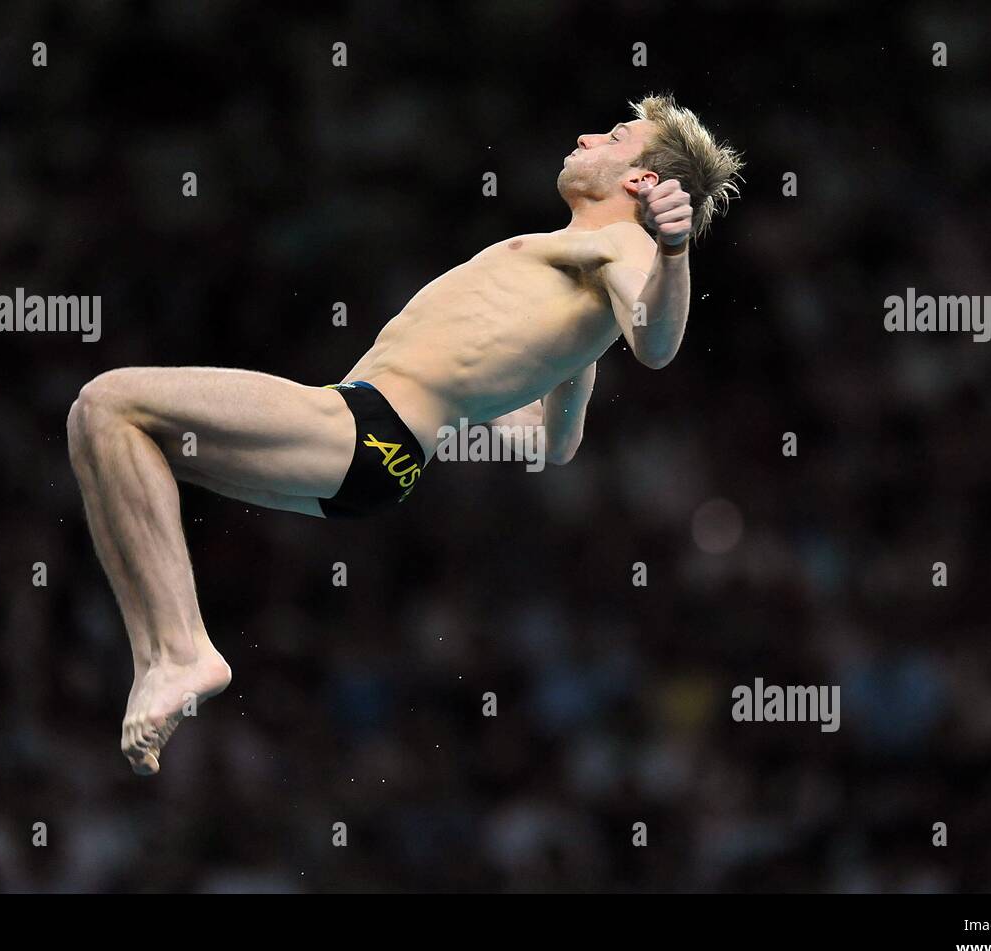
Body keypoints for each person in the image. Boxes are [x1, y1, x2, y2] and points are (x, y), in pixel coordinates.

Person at [66, 93, 743, 774]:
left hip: (365, 429)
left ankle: (183, 651)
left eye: (616, 134)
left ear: (642, 180)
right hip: (377, 456)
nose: (588, 134)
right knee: (112, 436)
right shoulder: (581, 280)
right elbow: (553, 443)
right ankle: (162, 657)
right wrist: (480, 399)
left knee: (109, 402)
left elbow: (656, 346)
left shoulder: (622, 244)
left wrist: (675, 250)